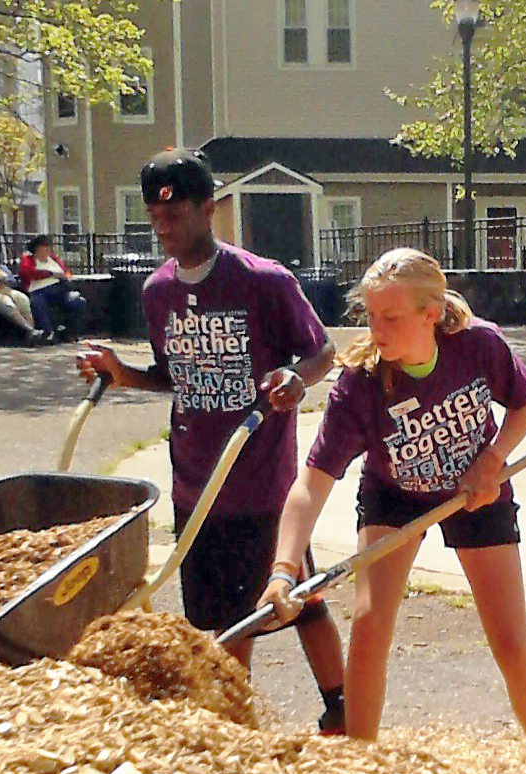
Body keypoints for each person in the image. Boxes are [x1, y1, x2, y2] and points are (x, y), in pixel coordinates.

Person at [257, 247, 526, 774]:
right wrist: (282, 570)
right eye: (369, 316)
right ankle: (363, 772)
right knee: (368, 623)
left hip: (474, 488)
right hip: (395, 493)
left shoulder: (479, 346)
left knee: (508, 635)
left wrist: (491, 459)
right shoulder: (358, 386)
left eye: (391, 317)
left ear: (429, 313)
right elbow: (310, 486)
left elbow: (525, 408)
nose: (376, 330)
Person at [76, 147, 346, 734]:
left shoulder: (263, 281)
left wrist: (296, 380)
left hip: (259, 478)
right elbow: (171, 374)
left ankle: (328, 709)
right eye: (154, 217)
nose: (163, 228)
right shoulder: (157, 292)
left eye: (175, 214)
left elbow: (322, 351)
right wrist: (120, 373)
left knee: (287, 601)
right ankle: (237, 723)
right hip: (195, 480)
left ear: (210, 209)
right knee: (214, 617)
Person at [17, 234, 86, 341]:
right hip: (38, 290)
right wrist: (49, 274)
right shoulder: (28, 259)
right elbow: (26, 273)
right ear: (35, 250)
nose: (46, 252)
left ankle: (69, 332)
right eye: (42, 250)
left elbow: (64, 272)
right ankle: (48, 333)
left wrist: (65, 276)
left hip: (59, 288)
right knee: (37, 303)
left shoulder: (54, 259)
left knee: (78, 301)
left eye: (48, 249)